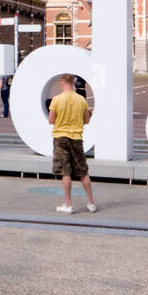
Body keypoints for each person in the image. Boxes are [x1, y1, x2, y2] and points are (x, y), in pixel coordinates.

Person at [49, 73, 97, 215]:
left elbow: (51, 120)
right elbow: (86, 120)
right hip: (76, 137)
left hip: (60, 137)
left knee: (65, 171)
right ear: (74, 83)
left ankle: (68, 204)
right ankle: (91, 203)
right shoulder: (81, 100)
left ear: (62, 83)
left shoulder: (56, 99)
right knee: (83, 171)